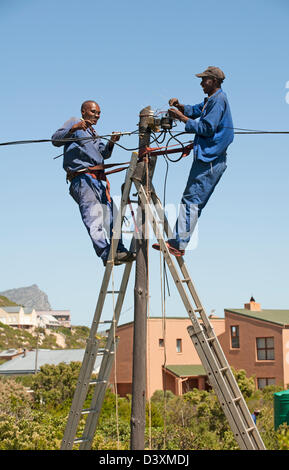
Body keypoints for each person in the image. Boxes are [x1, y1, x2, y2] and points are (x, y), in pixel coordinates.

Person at [152, 66, 234, 256]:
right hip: (207, 157)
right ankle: (178, 241)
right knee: (190, 199)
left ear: (213, 81)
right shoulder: (212, 100)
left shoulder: (219, 100)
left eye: (204, 79)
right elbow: (197, 110)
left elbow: (206, 128)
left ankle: (179, 244)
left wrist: (181, 117)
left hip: (211, 159)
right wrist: (181, 107)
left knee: (192, 200)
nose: (201, 83)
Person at [51, 100, 135, 266]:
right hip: (82, 179)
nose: (97, 115)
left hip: (97, 180)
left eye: (98, 113)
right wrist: (74, 129)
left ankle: (117, 249)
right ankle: (105, 253)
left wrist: (112, 141)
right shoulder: (74, 122)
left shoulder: (94, 132)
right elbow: (54, 139)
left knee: (112, 216)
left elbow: (104, 154)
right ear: (84, 112)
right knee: (93, 217)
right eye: (94, 112)